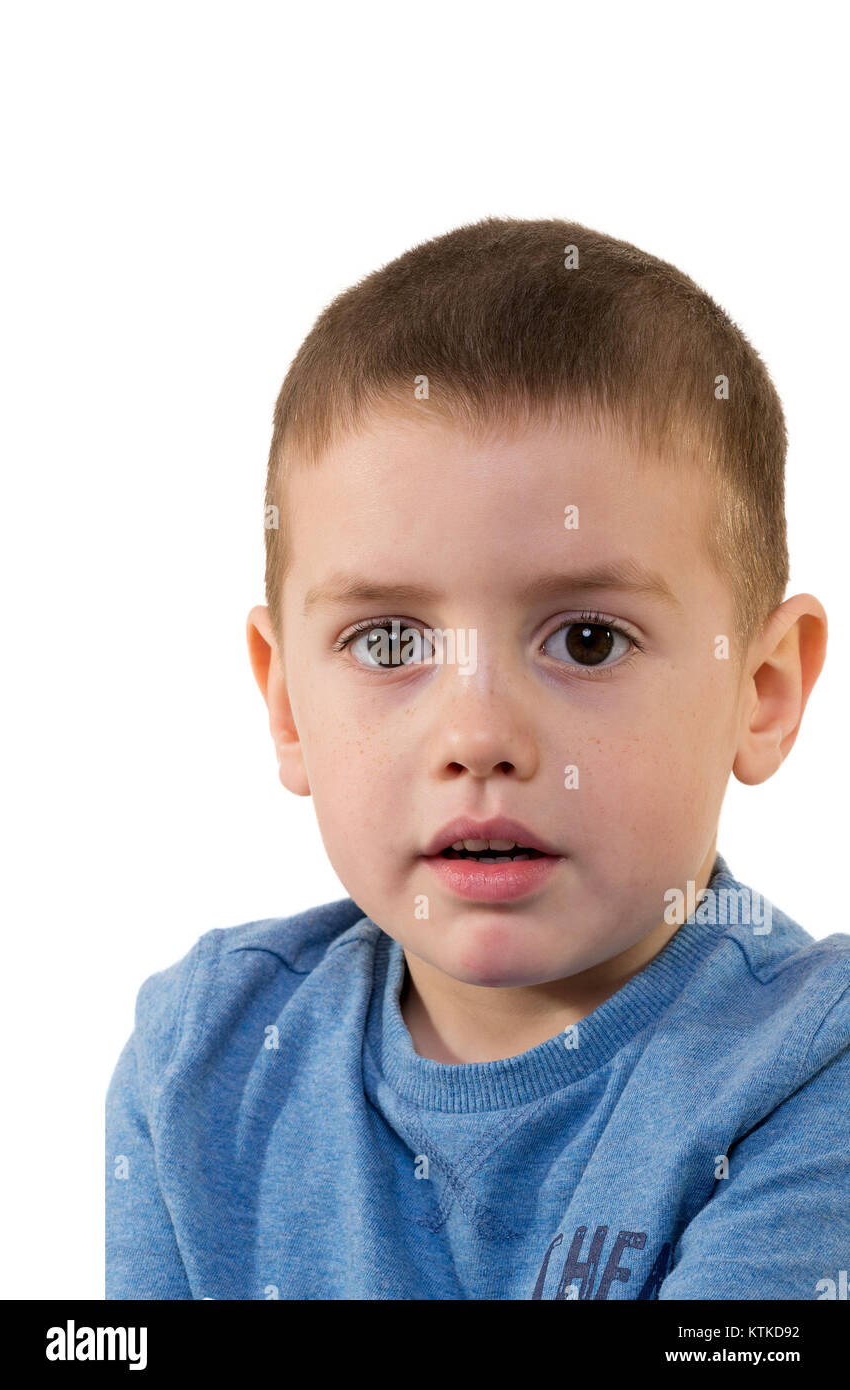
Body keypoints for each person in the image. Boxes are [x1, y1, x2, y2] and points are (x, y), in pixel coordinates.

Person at [106, 217, 848, 1300]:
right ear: (285, 702)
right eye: (390, 642)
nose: (477, 739)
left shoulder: (803, 1070)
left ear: (763, 690)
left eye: (586, 639)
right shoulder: (198, 1064)